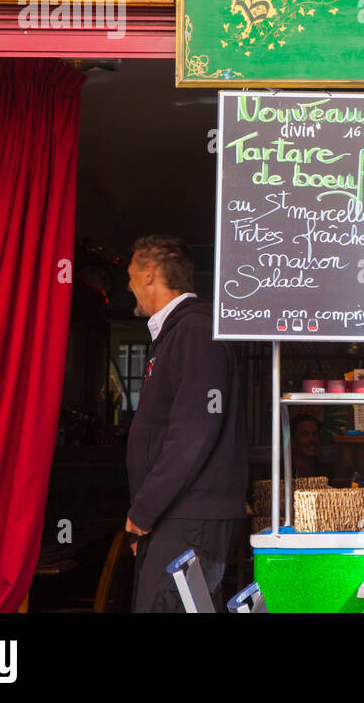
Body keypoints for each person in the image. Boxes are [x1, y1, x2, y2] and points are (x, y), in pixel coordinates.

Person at [125, 235, 248, 612]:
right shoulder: (176, 334)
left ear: (149, 275)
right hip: (177, 516)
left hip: (189, 516)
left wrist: (143, 512)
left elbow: (192, 434)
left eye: (130, 277)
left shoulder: (194, 333)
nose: (128, 287)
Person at [291, 411, 325, 479]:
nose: (312, 439)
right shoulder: (279, 473)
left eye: (315, 434)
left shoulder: (326, 472)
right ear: (292, 440)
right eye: (305, 435)